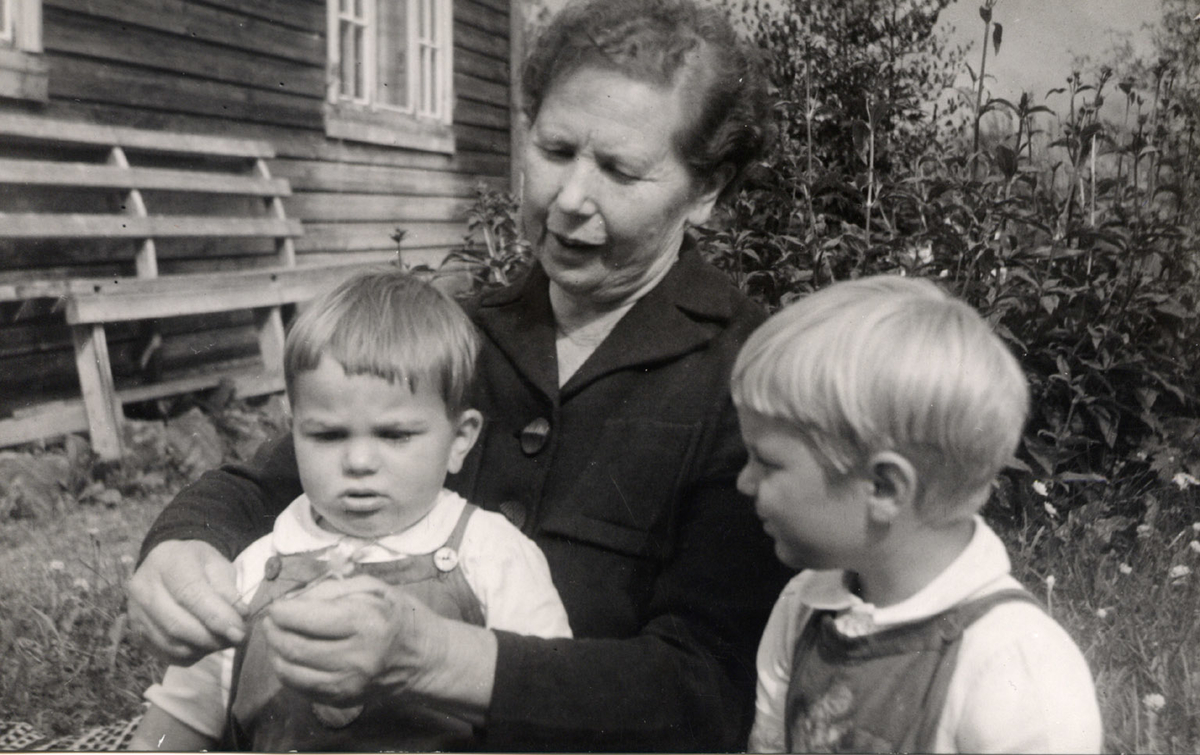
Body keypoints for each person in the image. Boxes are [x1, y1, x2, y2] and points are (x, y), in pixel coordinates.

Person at [128, 0, 792, 749]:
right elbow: (262, 487)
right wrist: (182, 549)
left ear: (706, 191)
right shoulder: (463, 339)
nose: (570, 198)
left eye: (618, 169)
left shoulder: (751, 381)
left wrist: (436, 657)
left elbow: (711, 686)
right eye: (555, 148)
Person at [128, 271, 572, 751]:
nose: (359, 462)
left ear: (459, 439)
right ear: (292, 430)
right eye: (328, 435)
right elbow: (181, 717)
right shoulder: (256, 565)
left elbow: (549, 707)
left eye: (395, 435)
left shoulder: (492, 555)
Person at [732, 275, 1102, 753]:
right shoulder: (806, 607)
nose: (743, 481)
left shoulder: (1011, 667)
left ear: (885, 488)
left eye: (766, 461)